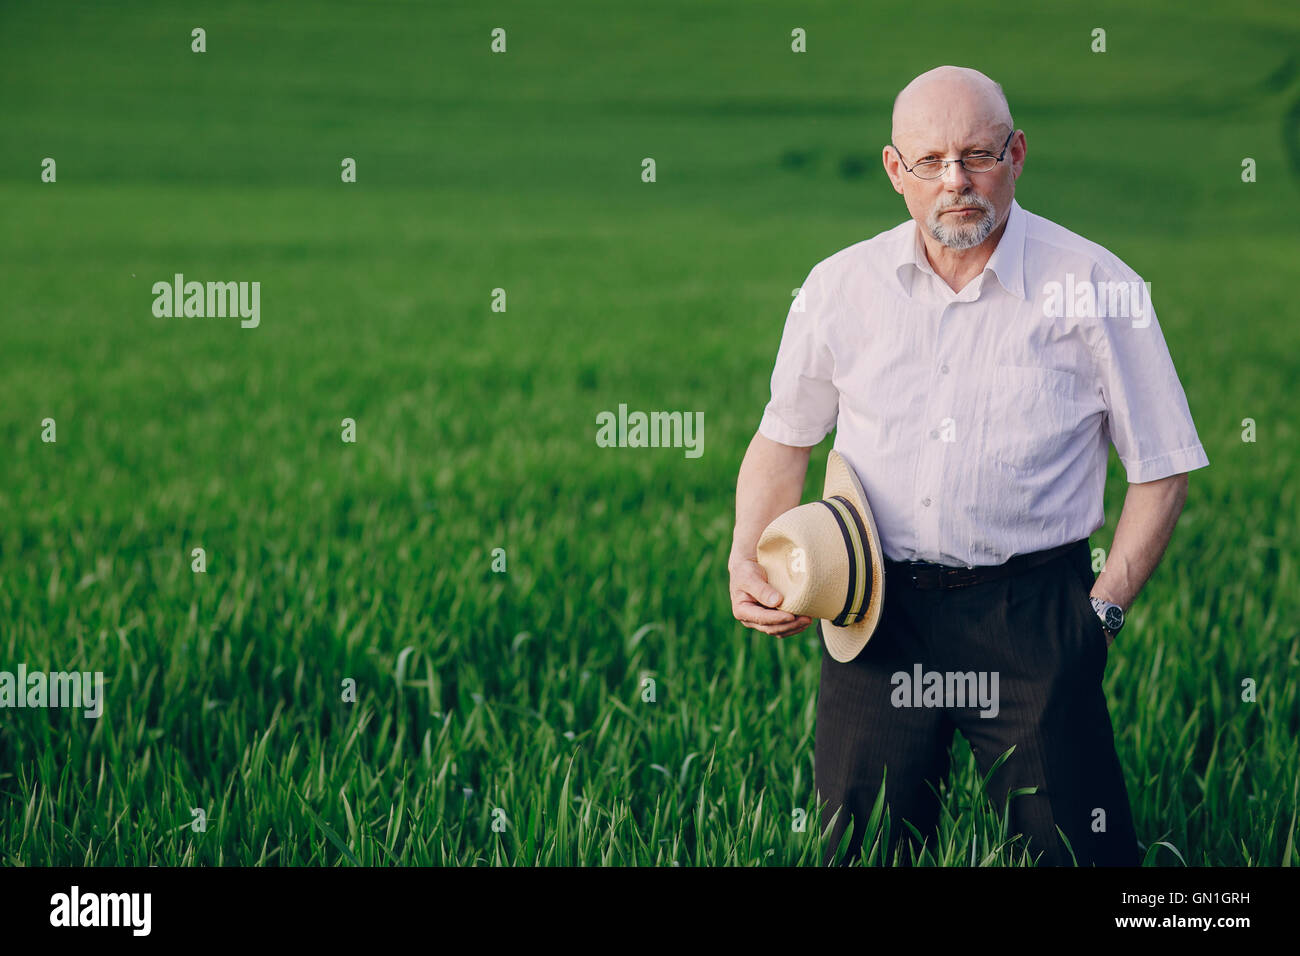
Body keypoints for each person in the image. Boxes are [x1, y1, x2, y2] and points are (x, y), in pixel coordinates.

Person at [727, 65, 1208, 866]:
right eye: (930, 162)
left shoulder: (1094, 284)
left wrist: (1103, 615)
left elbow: (1162, 467)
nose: (956, 181)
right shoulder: (839, 287)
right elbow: (786, 438)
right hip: (873, 613)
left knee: (1080, 854)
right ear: (895, 171)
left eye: (979, 155)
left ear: (1017, 153)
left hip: (1033, 617)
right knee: (864, 849)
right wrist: (749, 552)